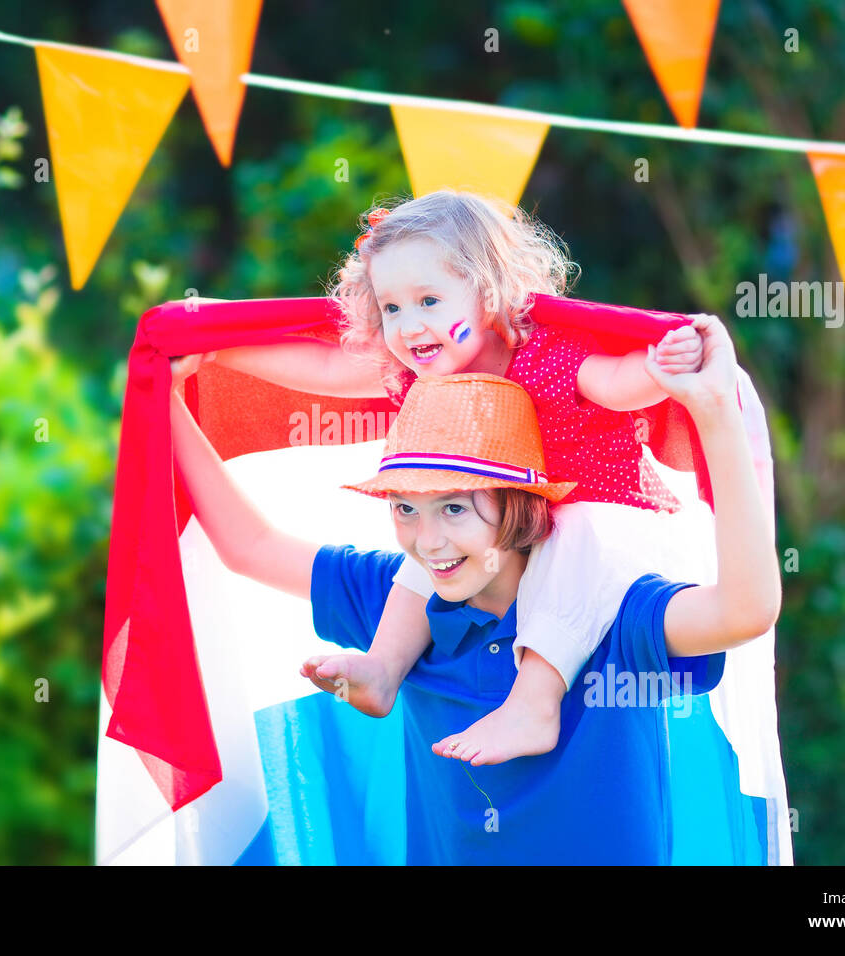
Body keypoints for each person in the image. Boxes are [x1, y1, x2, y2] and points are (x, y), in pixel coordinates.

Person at [168, 314, 781, 864]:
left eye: (455, 508)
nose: (427, 540)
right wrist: (162, 396)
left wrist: (713, 411)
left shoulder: (607, 607)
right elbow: (250, 548)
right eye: (405, 508)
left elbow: (746, 609)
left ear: (517, 504)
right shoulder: (405, 604)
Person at [193, 188, 716, 765]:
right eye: (391, 308)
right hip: (506, 531)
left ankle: (534, 701)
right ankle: (384, 667)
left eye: (429, 301)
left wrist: (662, 365)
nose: (408, 326)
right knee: (433, 534)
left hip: (603, 521)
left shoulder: (540, 355)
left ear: (489, 292)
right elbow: (325, 367)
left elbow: (617, 383)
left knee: (573, 533)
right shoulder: (421, 375)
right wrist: (215, 343)